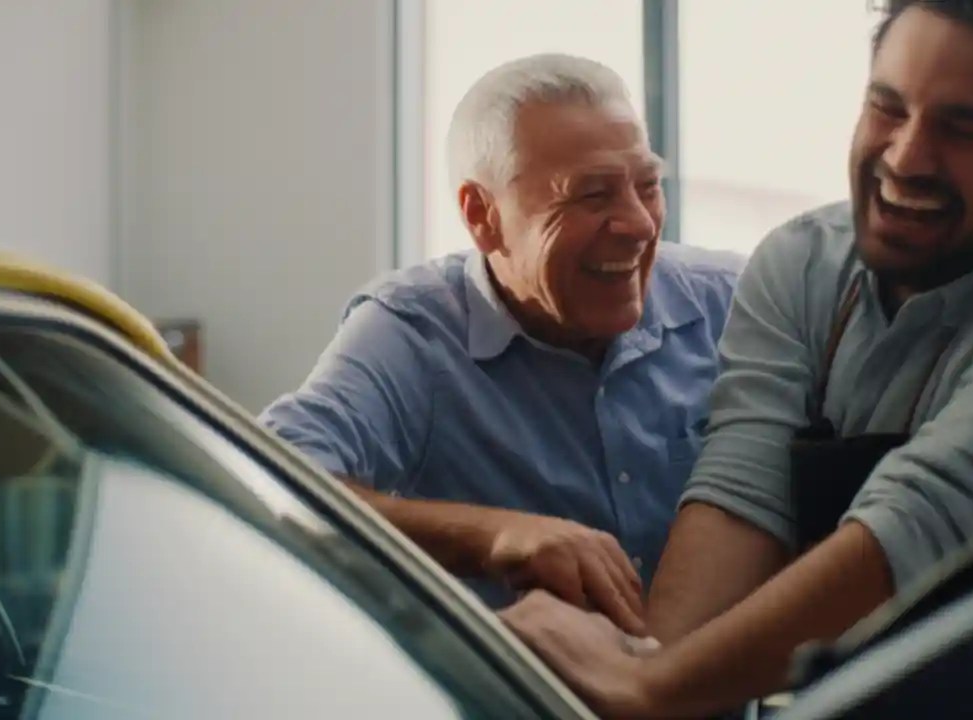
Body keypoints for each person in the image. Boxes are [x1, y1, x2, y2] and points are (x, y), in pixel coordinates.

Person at [500, 2, 973, 717]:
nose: (907, 157)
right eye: (888, 108)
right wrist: (646, 676)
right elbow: (741, 495)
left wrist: (649, 687)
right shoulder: (799, 265)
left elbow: (910, 539)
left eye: (963, 128)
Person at [260, 53, 744, 636]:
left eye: (647, 186)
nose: (639, 224)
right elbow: (270, 480)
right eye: (592, 196)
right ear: (482, 214)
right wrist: (493, 536)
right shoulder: (413, 334)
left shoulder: (731, 304)